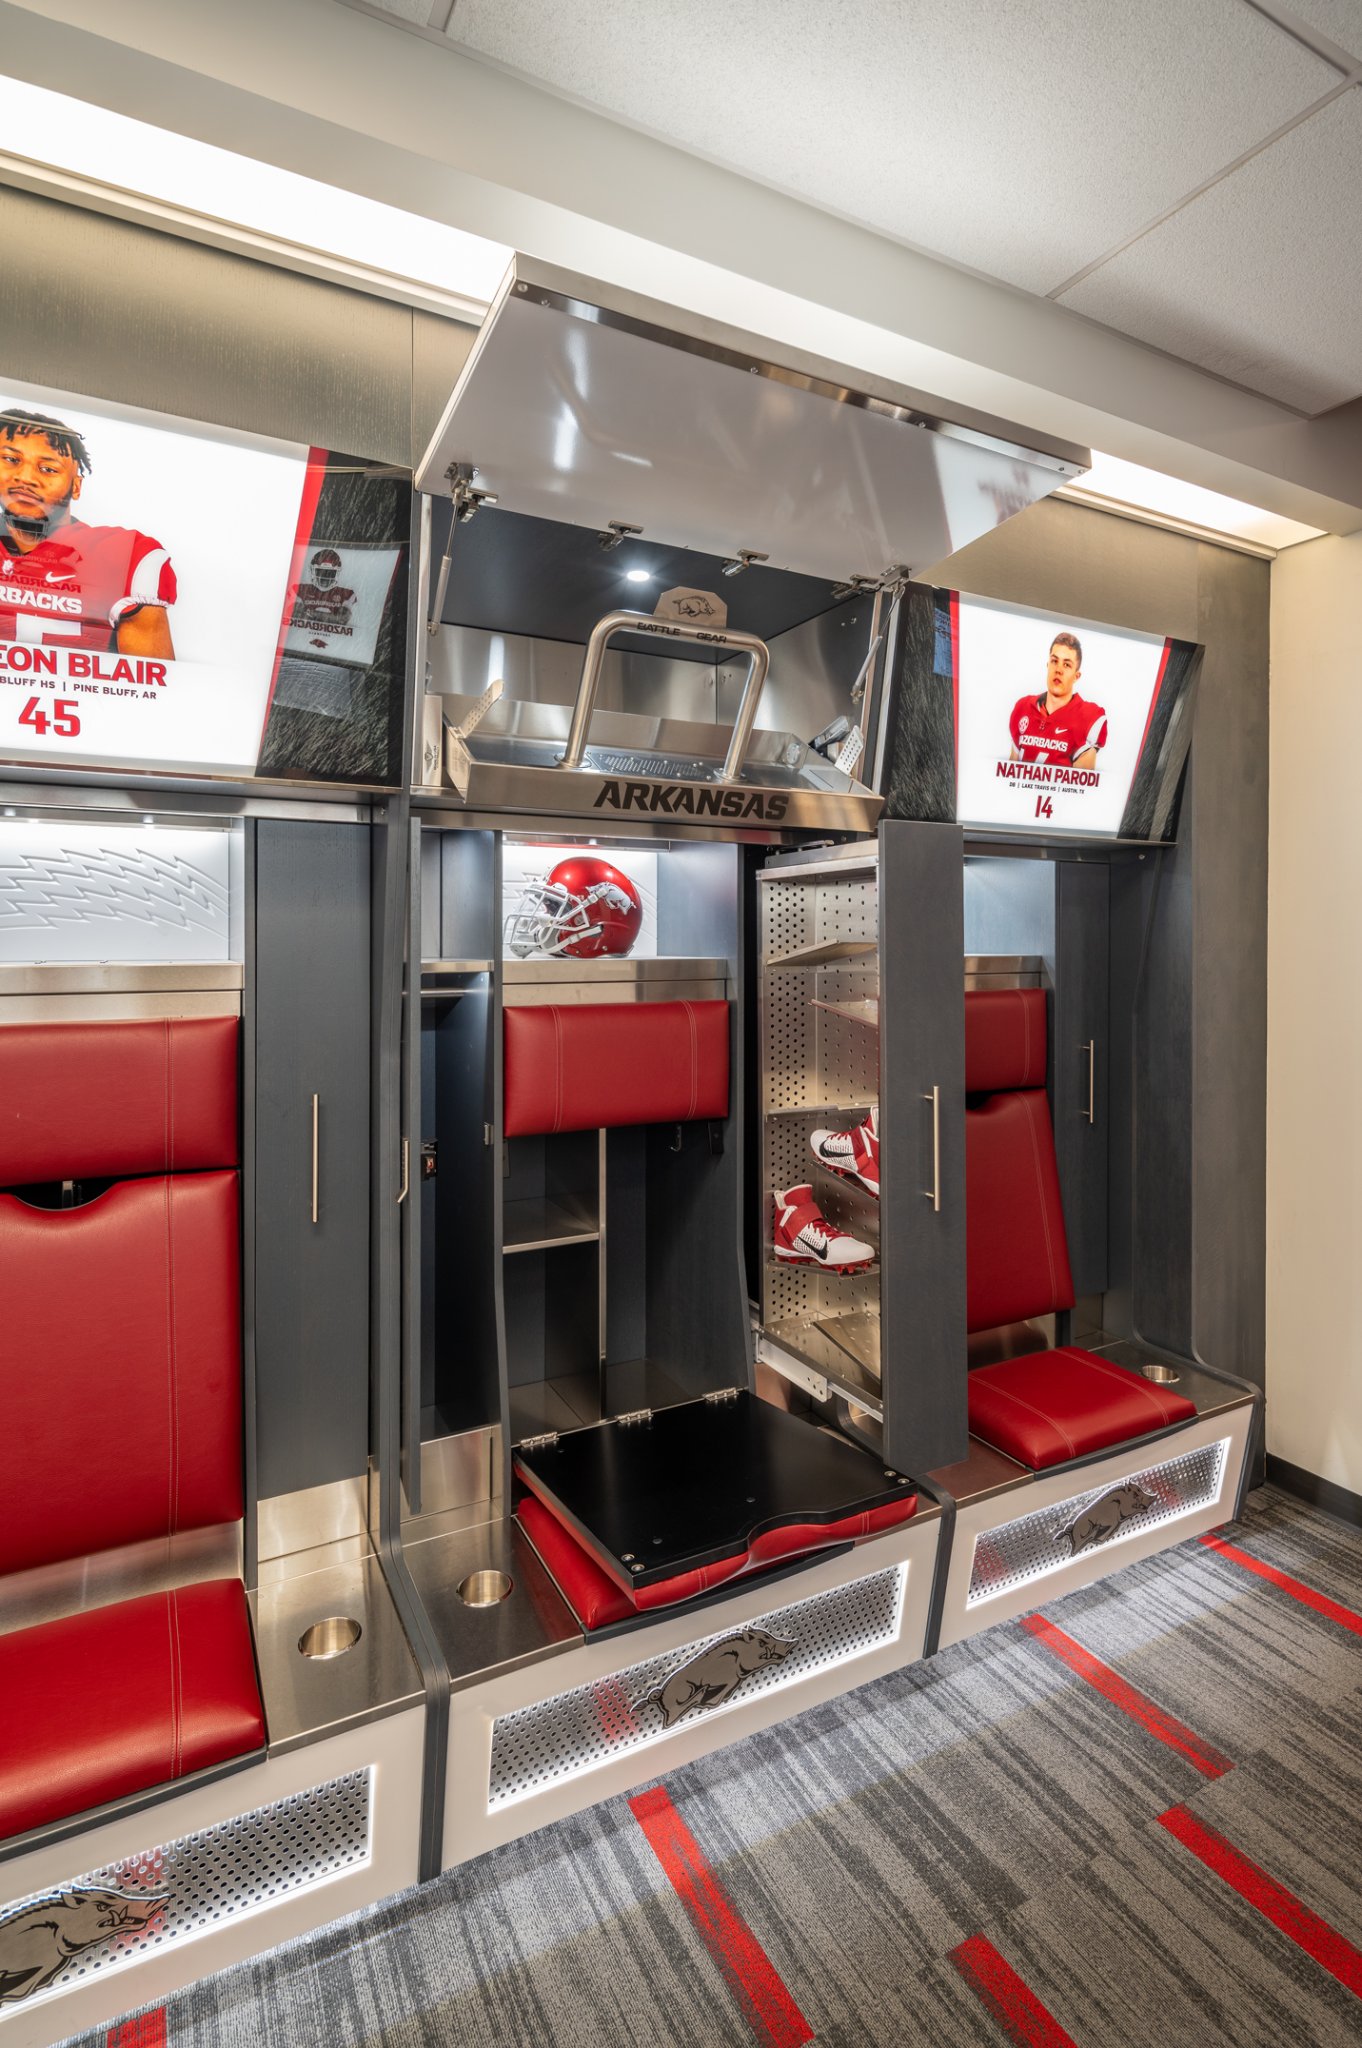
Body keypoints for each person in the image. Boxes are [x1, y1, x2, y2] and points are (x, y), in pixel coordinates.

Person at [0, 405, 176, 659]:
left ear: (76, 487)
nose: (26, 477)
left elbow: (156, 691)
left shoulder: (122, 554)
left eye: (48, 468)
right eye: (11, 459)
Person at [1008, 630, 1106, 770]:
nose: (1058, 670)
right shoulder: (1023, 708)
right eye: (1054, 661)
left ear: (1076, 676)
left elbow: (1080, 790)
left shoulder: (1086, 718)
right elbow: (1010, 772)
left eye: (1067, 665)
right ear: (1048, 666)